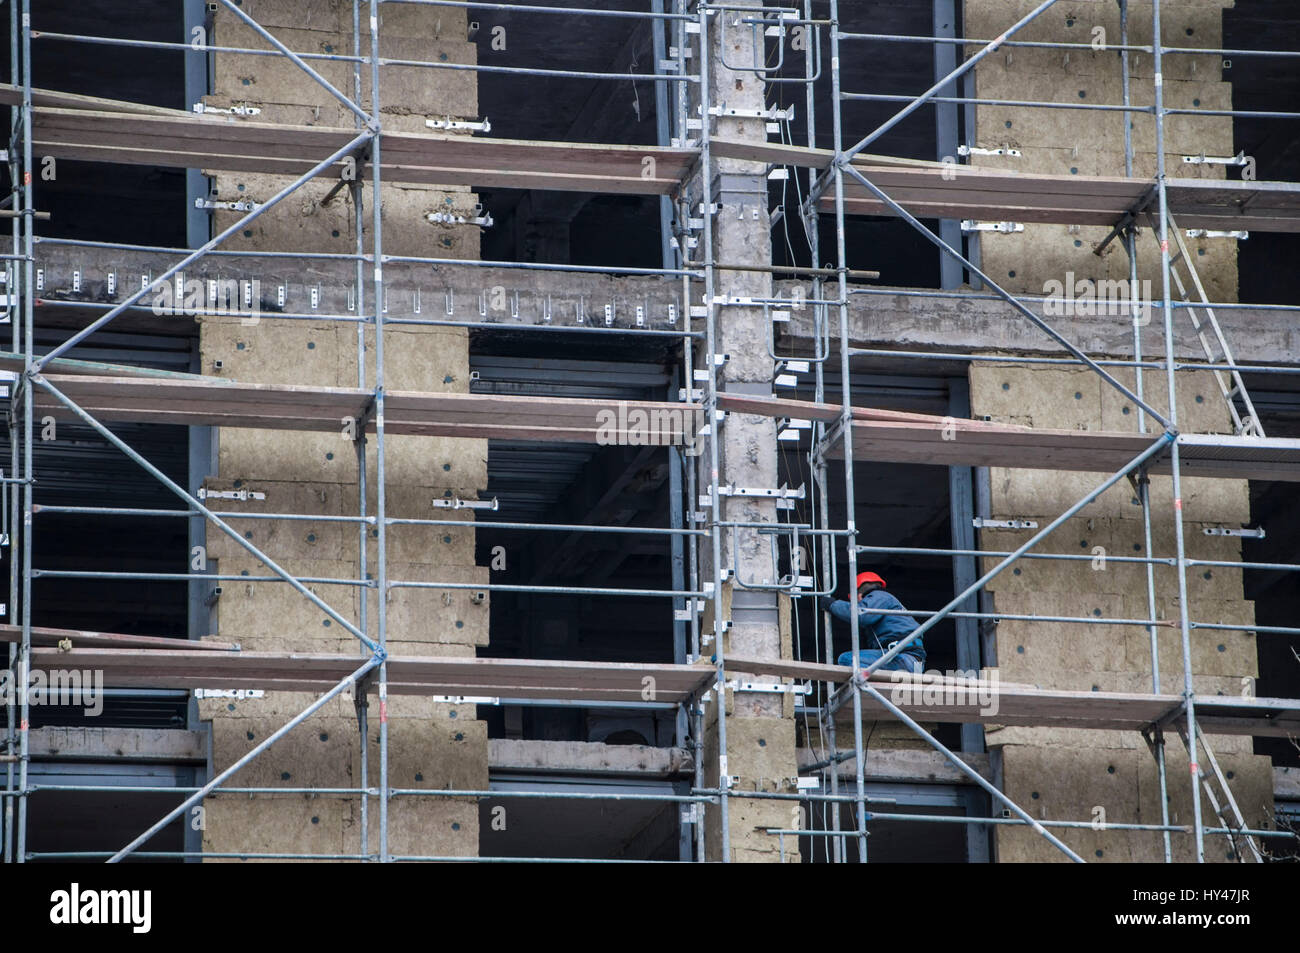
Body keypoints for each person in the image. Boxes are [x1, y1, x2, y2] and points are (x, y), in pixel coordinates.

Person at [817, 571, 925, 675]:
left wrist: (832, 605)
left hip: (903, 658)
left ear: (858, 594)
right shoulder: (886, 602)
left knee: (847, 659)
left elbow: (861, 614)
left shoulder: (880, 596)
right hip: (909, 660)